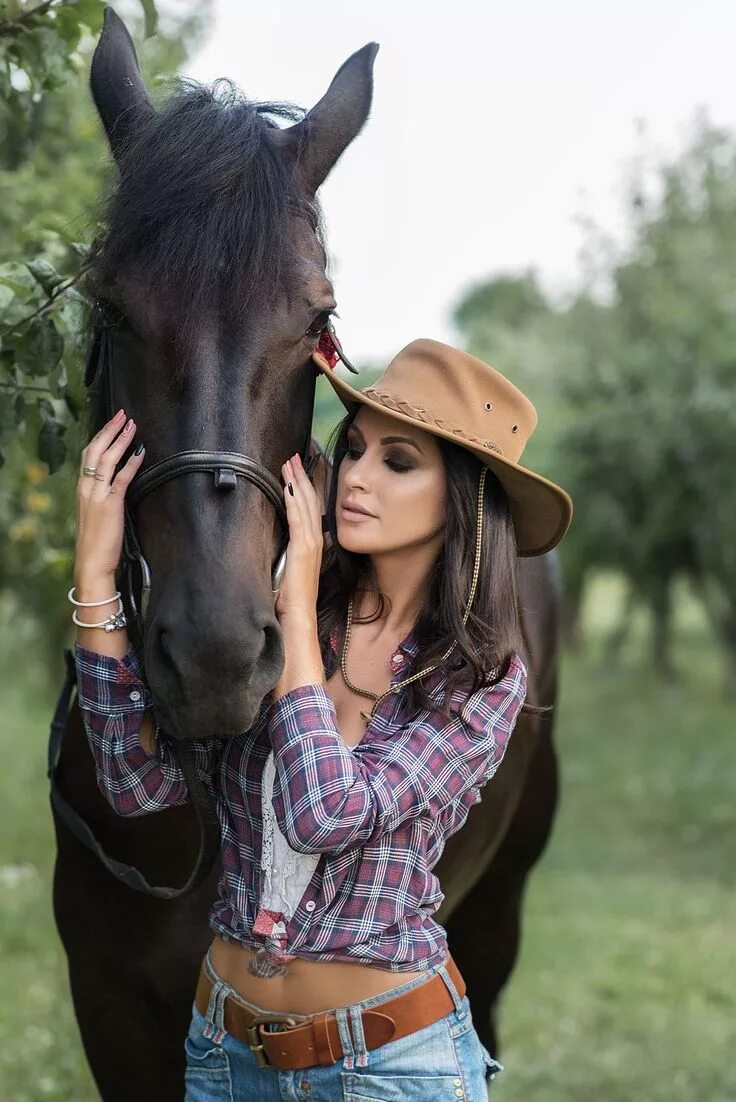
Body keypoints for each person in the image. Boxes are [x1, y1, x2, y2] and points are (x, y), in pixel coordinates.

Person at [71, 337, 572, 1101]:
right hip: (225, 1057)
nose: (357, 479)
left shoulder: (481, 679)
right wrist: (96, 577)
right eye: (358, 450)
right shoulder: (286, 622)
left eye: (398, 463)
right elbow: (136, 784)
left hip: (389, 1070)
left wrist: (297, 621)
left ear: (464, 498)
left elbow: (326, 813)